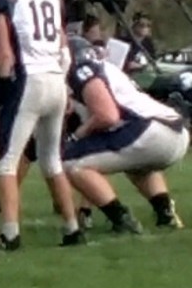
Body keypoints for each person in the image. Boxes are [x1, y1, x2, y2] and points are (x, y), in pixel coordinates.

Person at [0, 0, 84, 250]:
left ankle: (10, 234)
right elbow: (65, 50)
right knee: (52, 160)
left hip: (29, 81)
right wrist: (65, 87)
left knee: (7, 162)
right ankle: (72, 228)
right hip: (55, 78)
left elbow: (5, 53)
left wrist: (2, 88)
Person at [64, 36, 187, 231]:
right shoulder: (105, 67)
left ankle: (121, 218)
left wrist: (78, 134)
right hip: (173, 131)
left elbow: (107, 116)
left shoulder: (83, 71)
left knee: (72, 164)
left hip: (149, 132)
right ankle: (165, 213)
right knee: (136, 163)